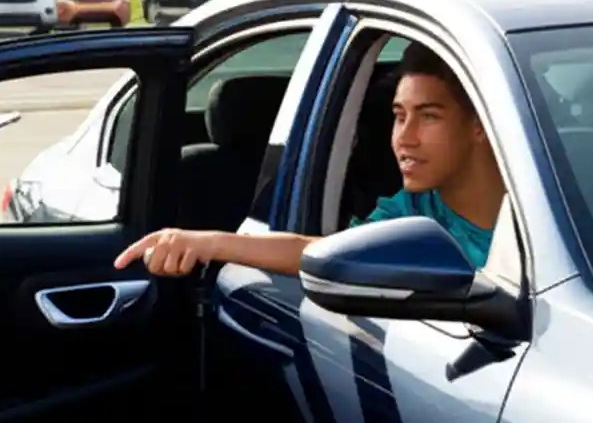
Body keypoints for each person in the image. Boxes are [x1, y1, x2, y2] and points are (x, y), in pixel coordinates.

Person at [114, 41, 506, 277]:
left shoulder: (553, 206)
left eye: (429, 116)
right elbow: (317, 250)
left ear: (481, 124)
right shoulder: (411, 217)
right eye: (399, 116)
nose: (404, 138)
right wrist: (208, 242)